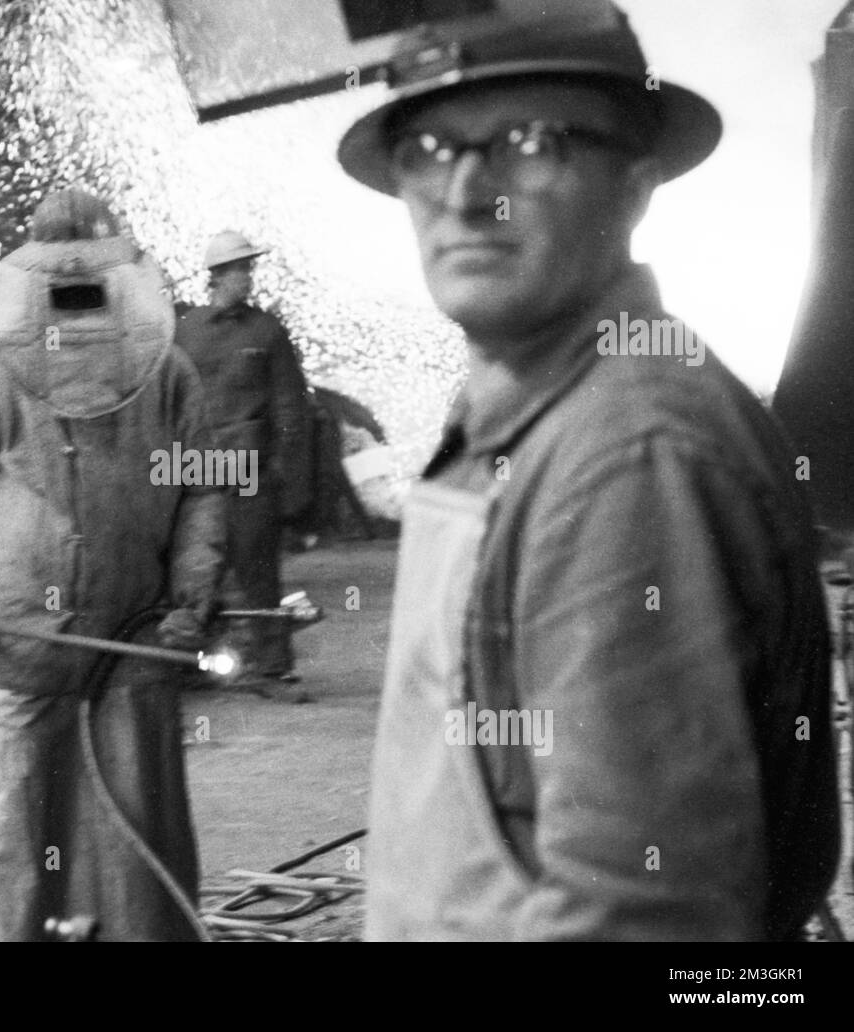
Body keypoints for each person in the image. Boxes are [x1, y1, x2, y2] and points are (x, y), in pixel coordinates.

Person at [335, 0, 839, 940]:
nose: (465, 192)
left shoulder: (630, 455)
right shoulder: (535, 402)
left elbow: (642, 913)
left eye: (529, 143)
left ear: (637, 183)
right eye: (429, 150)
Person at [0, 188, 225, 941]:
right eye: (65, 292)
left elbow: (202, 486)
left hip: (132, 646)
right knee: (11, 833)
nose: (80, 307)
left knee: (136, 848)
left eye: (92, 290)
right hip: (22, 651)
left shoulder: (167, 377)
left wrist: (189, 601)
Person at [174, 232, 313, 693]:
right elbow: (170, 403)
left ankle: (272, 666)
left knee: (257, 568)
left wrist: (292, 482)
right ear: (215, 276)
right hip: (196, 468)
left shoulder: (267, 332)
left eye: (249, 268)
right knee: (197, 570)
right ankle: (194, 662)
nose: (246, 277)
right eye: (238, 269)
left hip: (249, 468)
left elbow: (291, 410)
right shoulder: (186, 331)